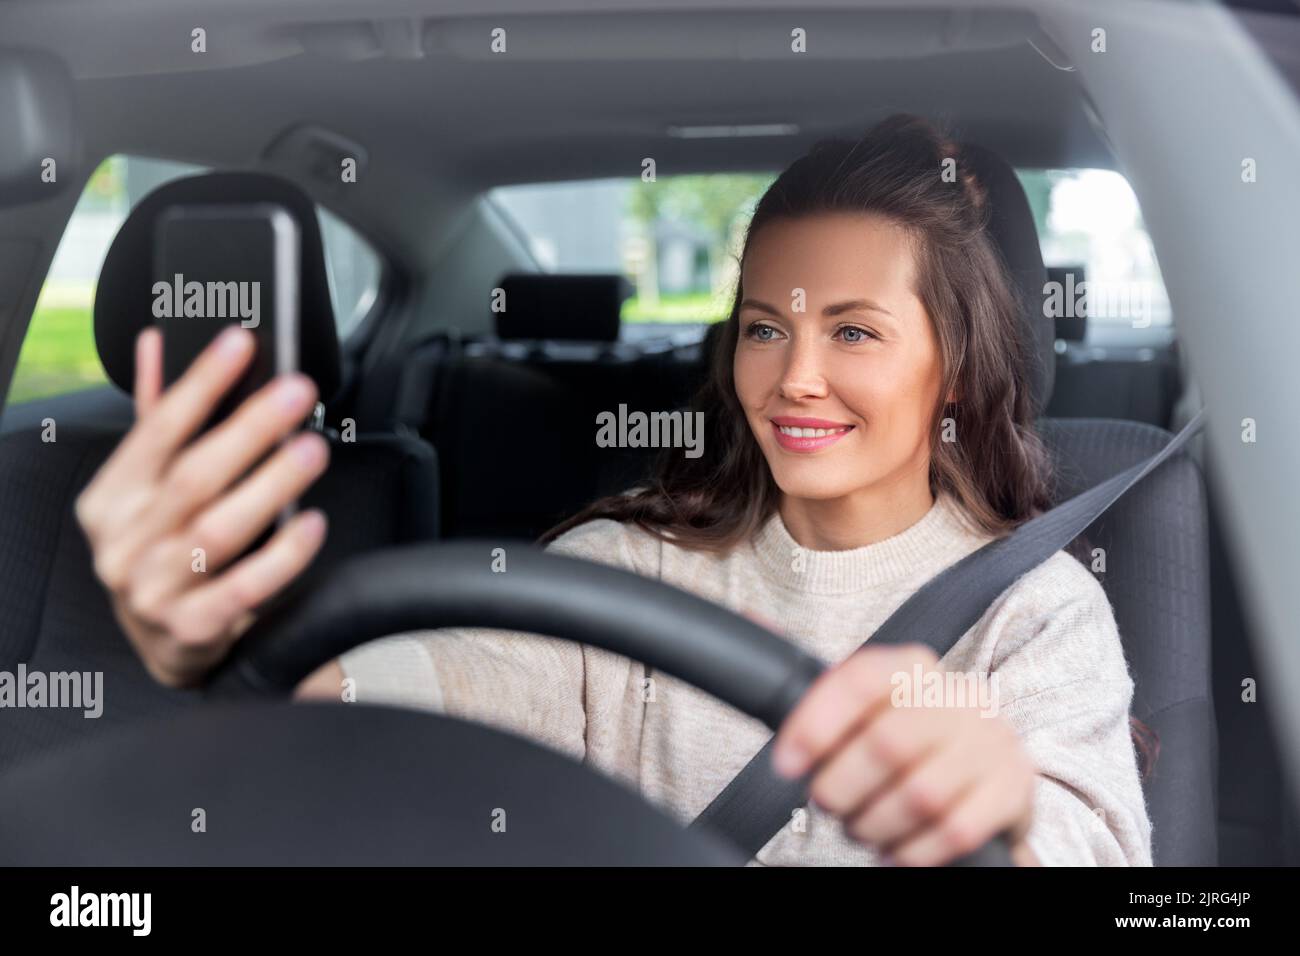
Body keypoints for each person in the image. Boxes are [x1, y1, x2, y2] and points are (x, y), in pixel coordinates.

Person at [75, 114, 1154, 867]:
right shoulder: (625, 565)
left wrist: (1001, 813)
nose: (794, 377)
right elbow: (425, 687)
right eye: (765, 328)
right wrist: (241, 643)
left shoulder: (1038, 612)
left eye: (855, 330)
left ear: (956, 365)